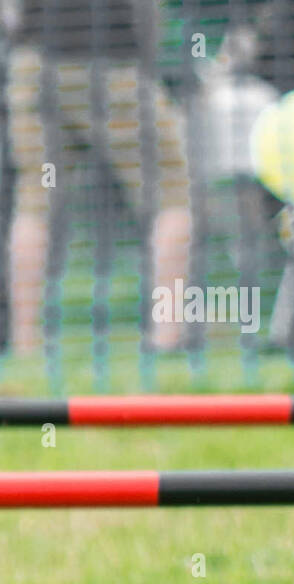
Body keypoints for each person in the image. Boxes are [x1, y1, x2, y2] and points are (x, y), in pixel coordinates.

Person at [4, 0, 193, 353]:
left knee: (35, 196)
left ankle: (25, 341)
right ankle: (166, 336)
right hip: (110, 62)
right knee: (171, 192)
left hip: (34, 64)